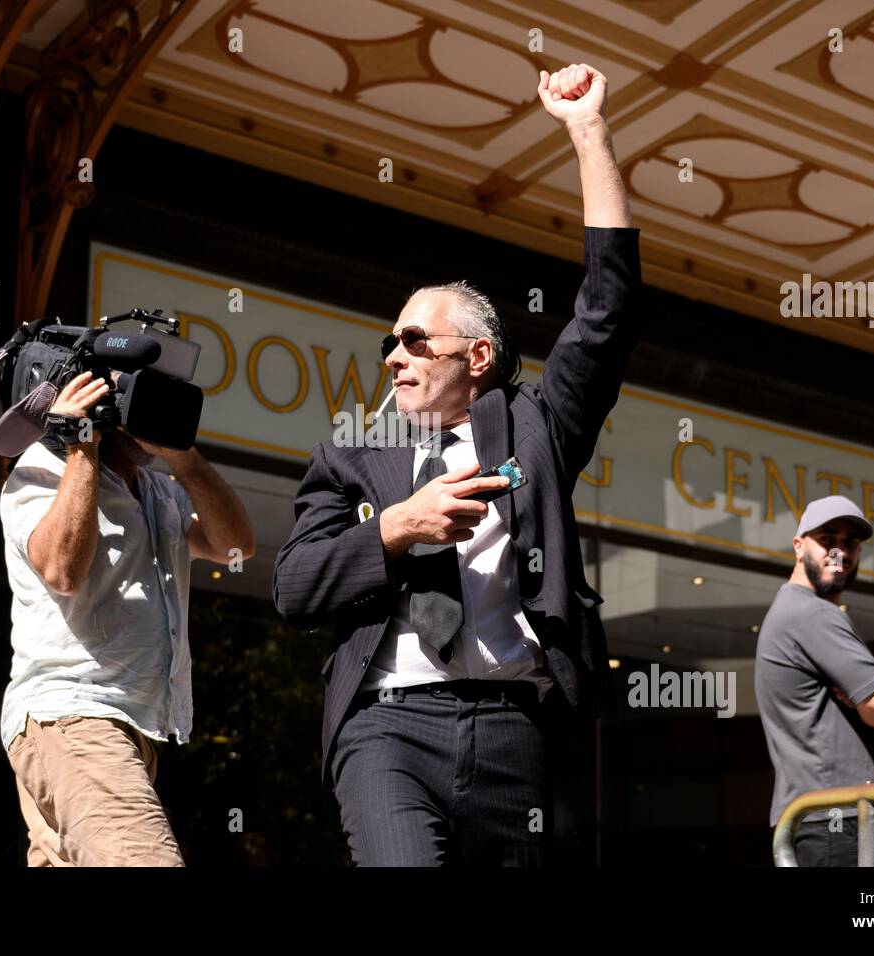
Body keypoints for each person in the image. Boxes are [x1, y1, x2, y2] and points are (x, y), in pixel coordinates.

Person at [273, 63, 641, 865]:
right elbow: (295, 589)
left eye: (414, 341)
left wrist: (587, 132)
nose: (393, 358)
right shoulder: (351, 451)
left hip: (520, 729)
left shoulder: (538, 425)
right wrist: (398, 530)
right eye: (388, 344)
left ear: (478, 355)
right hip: (388, 725)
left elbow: (608, 308)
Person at [0, 370, 254, 866]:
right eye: (135, 396)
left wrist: (184, 455)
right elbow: (61, 571)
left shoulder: (161, 491)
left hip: (129, 728)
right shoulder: (42, 469)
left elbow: (236, 548)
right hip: (74, 715)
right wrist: (81, 446)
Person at [755, 495, 874, 867]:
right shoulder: (811, 613)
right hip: (837, 820)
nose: (839, 550)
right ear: (798, 546)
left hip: (827, 820)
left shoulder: (797, 611)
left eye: (850, 542)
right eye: (827, 538)